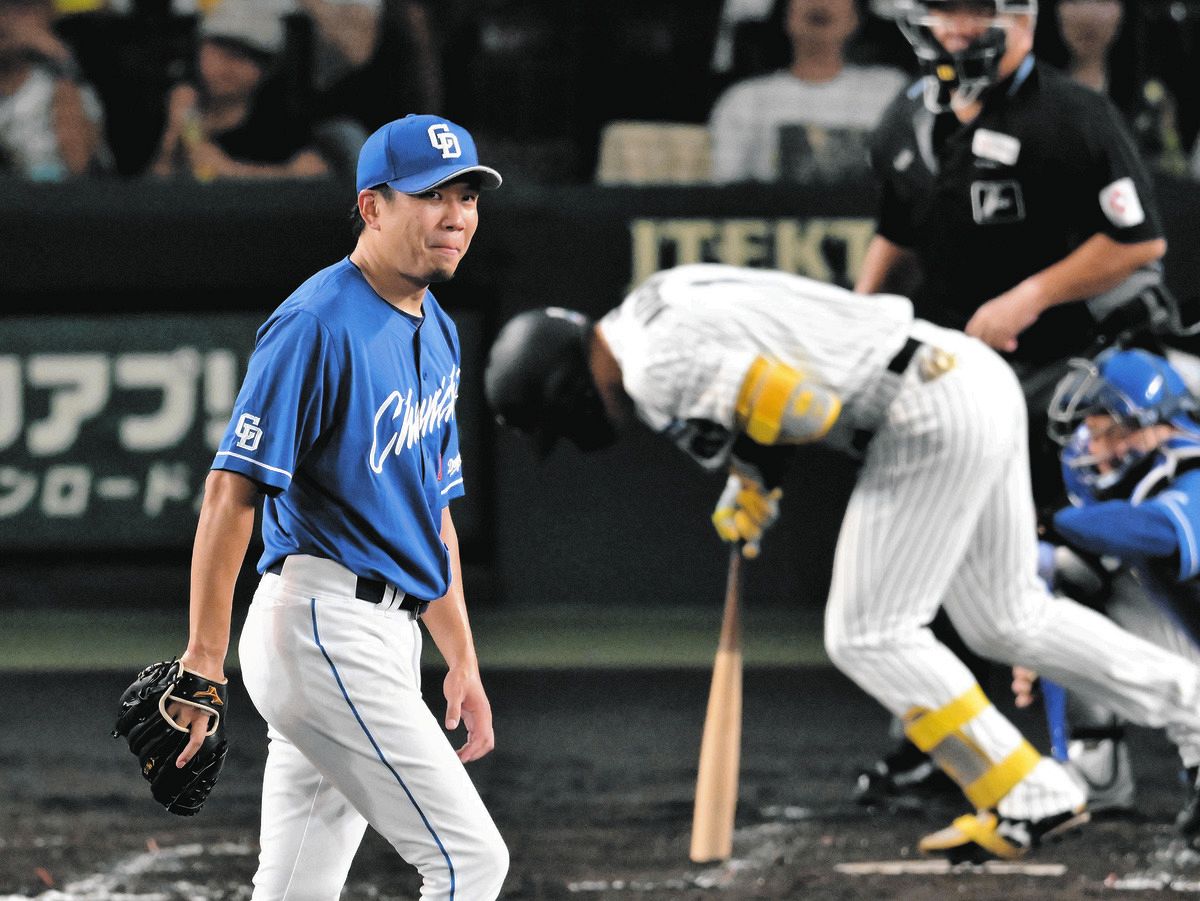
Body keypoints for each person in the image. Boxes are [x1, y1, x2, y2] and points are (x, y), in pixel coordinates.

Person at [483, 262, 1200, 862]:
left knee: (866, 633)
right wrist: (754, 472)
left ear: (569, 391)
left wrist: (757, 474)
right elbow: (779, 383)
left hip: (922, 409)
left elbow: (809, 409)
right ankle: (1193, 707)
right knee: (1006, 616)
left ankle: (1028, 792)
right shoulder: (649, 306)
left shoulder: (650, 368)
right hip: (965, 377)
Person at [166, 113, 508, 898]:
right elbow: (232, 489)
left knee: (295, 888)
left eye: (467, 195)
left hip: (379, 637)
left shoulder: (440, 330)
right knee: (470, 861)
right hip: (322, 628)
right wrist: (202, 658)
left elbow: (433, 514)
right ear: (373, 206)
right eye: (431, 196)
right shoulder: (316, 322)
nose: (456, 215)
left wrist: (461, 656)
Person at [852, 0, 1173, 803]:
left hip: (1068, 371)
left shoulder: (1072, 115)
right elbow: (894, 232)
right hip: (957, 378)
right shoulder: (904, 116)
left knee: (1073, 561)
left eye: (975, 11)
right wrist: (858, 327)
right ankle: (939, 740)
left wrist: (1029, 295)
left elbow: (1139, 241)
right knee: (940, 550)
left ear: (1023, 19)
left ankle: (1097, 751)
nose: (958, 29)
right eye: (944, 10)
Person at [1011, 347, 1200, 827]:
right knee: (1061, 575)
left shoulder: (1190, 465)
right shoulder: (1128, 484)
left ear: (1149, 425)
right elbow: (1064, 556)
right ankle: (1094, 769)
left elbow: (1156, 530)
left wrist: (1053, 521)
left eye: (1104, 427)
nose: (1089, 444)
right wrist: (1024, 632)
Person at [707, 0, 909, 184]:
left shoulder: (890, 90)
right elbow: (722, 188)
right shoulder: (745, 100)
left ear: (856, 18)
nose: (820, 3)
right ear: (786, 14)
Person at [149, 0, 330, 180]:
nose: (231, 65)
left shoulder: (283, 130)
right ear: (198, 48)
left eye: (249, 54)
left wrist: (227, 170)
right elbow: (142, 196)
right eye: (221, 46)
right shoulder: (159, 112)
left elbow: (313, 175)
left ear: (269, 68)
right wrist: (171, 139)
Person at [1052, 0, 1188, 176]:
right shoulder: (1028, 95)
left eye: (1103, 2)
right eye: (1075, 1)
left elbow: (1175, 175)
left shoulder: (1152, 100)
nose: (1089, 16)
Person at [0, 0, 112, 179]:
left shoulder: (61, 85)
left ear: (46, 14)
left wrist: (59, 57)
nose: (4, 22)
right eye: (2, 10)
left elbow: (80, 166)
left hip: (63, 197)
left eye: (18, 10)